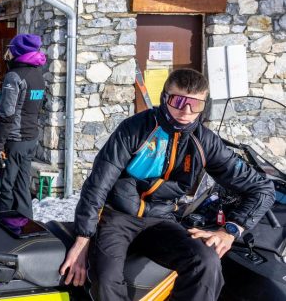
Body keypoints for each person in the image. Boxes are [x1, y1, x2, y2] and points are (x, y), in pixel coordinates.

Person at [59, 68, 275, 301]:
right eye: (178, 101)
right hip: (118, 217)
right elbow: (98, 184)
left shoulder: (204, 142)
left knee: (206, 261)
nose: (186, 110)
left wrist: (230, 231)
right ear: (164, 98)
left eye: (195, 104)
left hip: (162, 220)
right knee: (105, 278)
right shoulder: (135, 129)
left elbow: (262, 188)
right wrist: (83, 238)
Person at [0, 34, 46, 224]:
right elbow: (41, 105)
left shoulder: (14, 76)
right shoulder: (38, 74)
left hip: (14, 140)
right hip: (30, 139)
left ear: (18, 51)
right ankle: (26, 226)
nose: (8, 52)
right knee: (21, 187)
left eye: (10, 49)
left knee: (4, 187)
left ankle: (4, 228)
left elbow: (6, 114)